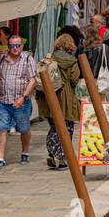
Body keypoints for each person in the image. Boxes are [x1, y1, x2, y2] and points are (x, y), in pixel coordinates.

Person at [0, 34, 36, 169]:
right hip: (2, 101)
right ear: (8, 46)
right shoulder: (1, 60)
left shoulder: (27, 59)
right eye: (12, 46)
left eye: (17, 45)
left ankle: (25, 152)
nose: (15, 48)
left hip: (21, 102)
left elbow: (32, 80)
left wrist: (23, 97)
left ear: (22, 46)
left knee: (24, 129)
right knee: (2, 128)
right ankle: (0, 158)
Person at [38, 34, 81, 169]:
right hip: (66, 96)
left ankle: (52, 152)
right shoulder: (72, 60)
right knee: (66, 128)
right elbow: (74, 80)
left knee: (54, 126)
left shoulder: (49, 58)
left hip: (51, 96)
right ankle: (61, 158)